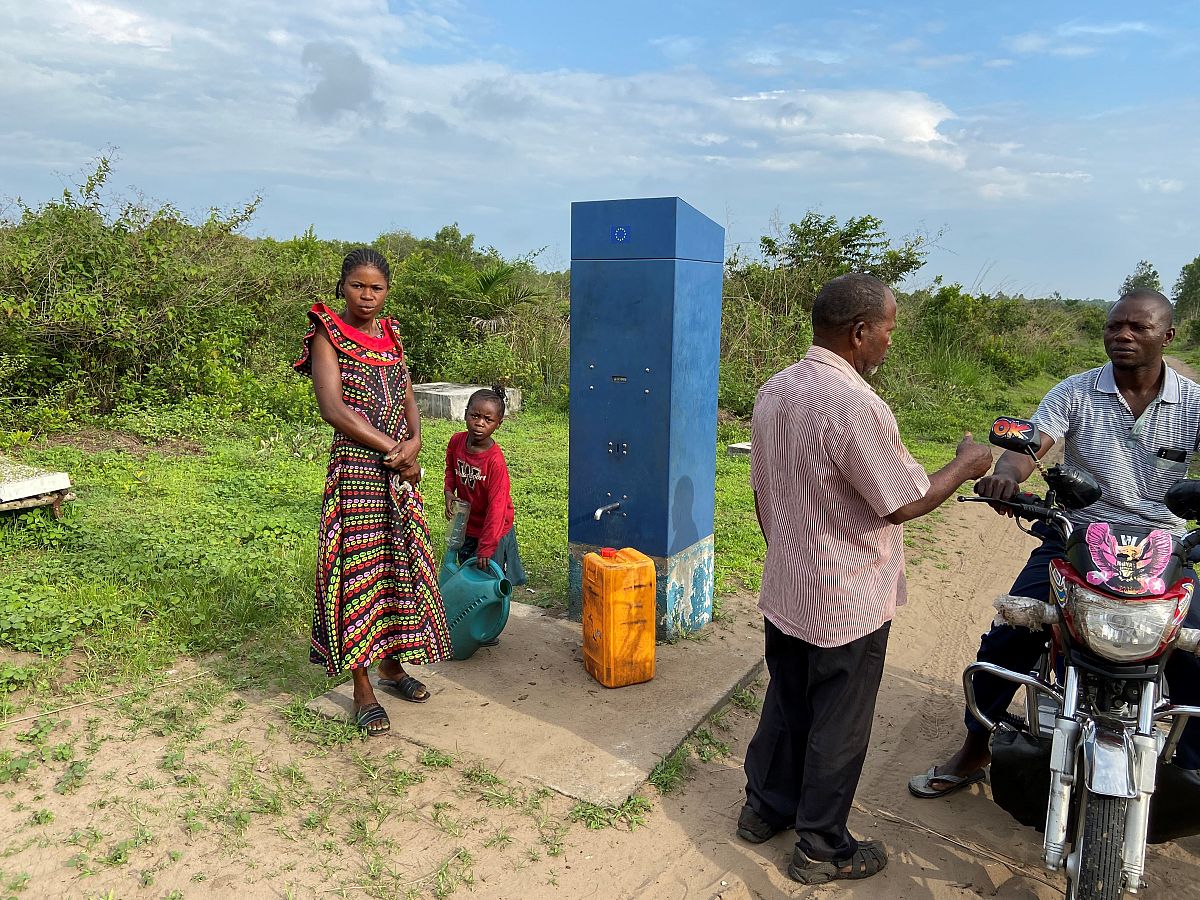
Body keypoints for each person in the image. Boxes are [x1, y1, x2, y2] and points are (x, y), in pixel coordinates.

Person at [739, 273, 993, 884]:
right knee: (839, 722)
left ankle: (763, 809)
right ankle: (822, 846)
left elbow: (764, 494)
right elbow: (901, 500)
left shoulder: (776, 389)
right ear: (860, 332)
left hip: (788, 589)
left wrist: (790, 556)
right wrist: (964, 464)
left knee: (787, 700)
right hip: (848, 600)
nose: (889, 340)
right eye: (888, 329)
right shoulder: (855, 404)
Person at [910, 288, 1200, 798]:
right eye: (1115, 326)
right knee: (1011, 633)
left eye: (1138, 327)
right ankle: (977, 745)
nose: (1123, 335)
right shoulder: (1076, 391)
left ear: (1168, 336)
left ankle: (1192, 770)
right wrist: (1005, 473)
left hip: (1165, 547)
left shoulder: (1195, 404)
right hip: (1076, 535)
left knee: (1195, 651)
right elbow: (1032, 446)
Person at [294, 247, 452, 736]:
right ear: (343, 285)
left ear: (387, 291)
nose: (367, 295)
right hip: (357, 472)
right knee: (356, 571)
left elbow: (406, 392)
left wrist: (416, 441)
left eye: (377, 287)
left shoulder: (391, 335)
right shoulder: (327, 332)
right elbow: (334, 408)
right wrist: (395, 449)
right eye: (358, 285)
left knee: (396, 566)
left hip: (396, 470)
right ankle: (361, 686)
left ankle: (390, 666)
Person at [443, 387, 527, 585]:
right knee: (467, 577)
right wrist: (448, 491)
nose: (479, 423)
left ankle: (491, 615)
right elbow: (450, 469)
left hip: (493, 531)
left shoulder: (495, 462)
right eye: (475, 415)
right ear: (465, 413)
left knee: (489, 583)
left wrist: (487, 546)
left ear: (498, 424)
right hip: (468, 526)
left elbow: (497, 507)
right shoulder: (456, 442)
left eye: (488, 420)